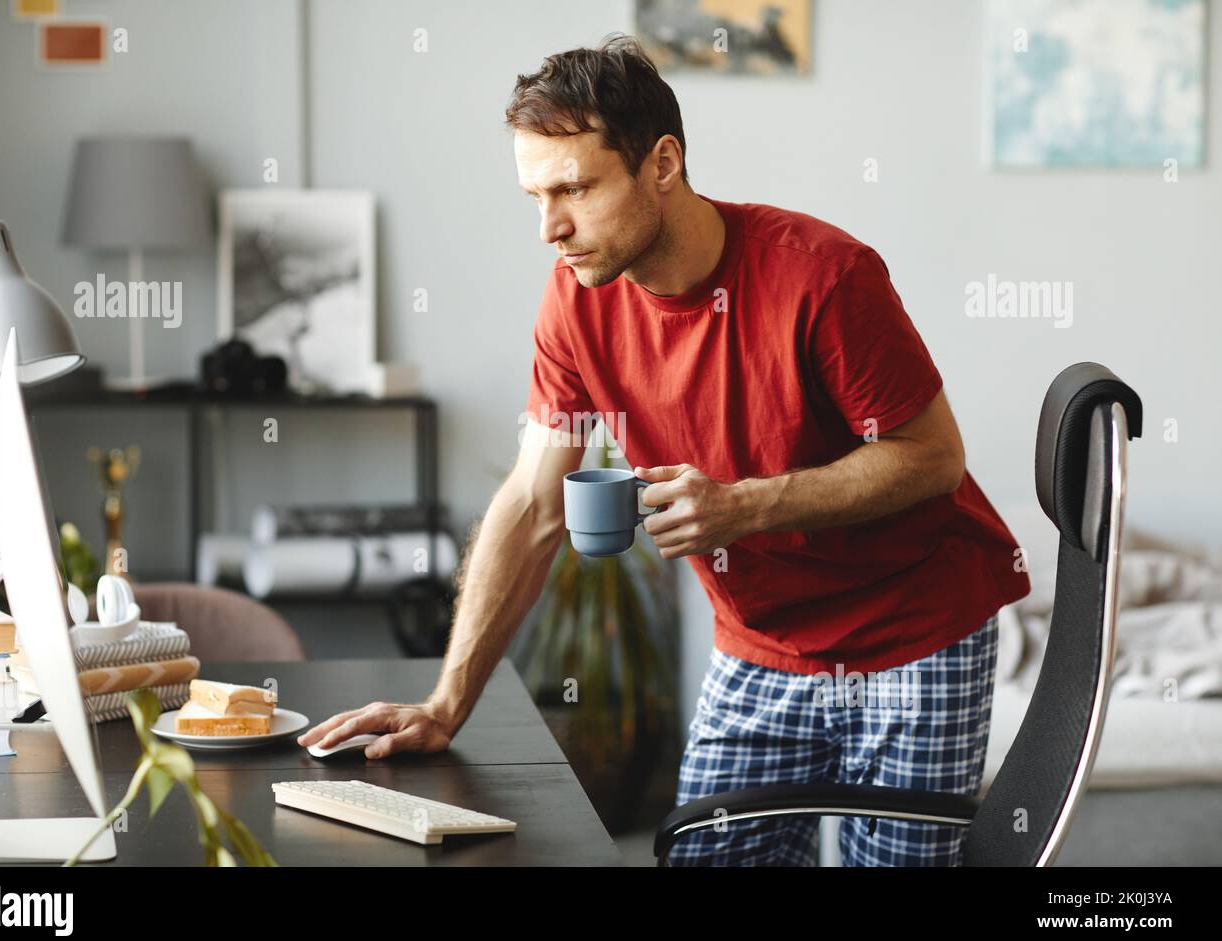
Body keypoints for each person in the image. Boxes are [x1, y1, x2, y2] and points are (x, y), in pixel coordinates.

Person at [297, 34, 1030, 866]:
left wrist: (744, 505)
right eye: (534, 196)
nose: (550, 227)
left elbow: (931, 456)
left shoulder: (824, 277)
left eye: (574, 188)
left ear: (663, 164)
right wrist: (445, 702)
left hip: (916, 634)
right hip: (763, 645)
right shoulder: (576, 300)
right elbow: (537, 502)